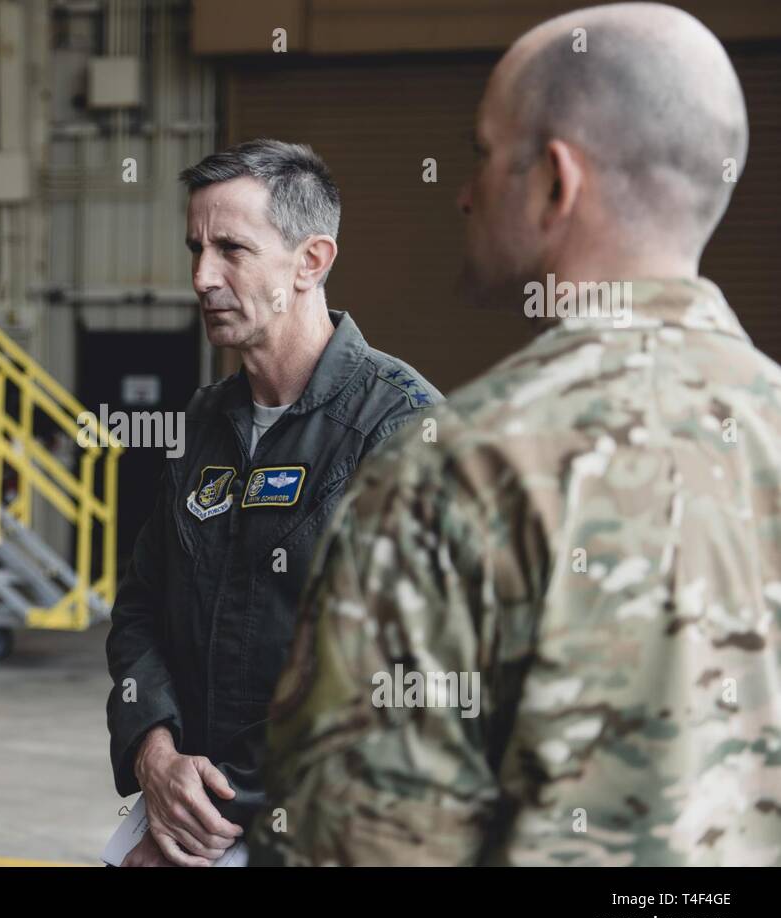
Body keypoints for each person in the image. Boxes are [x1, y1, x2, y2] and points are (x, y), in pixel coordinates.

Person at [254, 3, 777, 866]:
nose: (465, 191)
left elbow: (364, 844)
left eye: (484, 155)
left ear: (556, 183)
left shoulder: (455, 470)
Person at [106, 139, 441, 866]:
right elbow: (140, 608)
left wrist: (214, 815)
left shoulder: (400, 428)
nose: (201, 276)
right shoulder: (201, 424)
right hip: (187, 816)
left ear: (311, 260)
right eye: (195, 246)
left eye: (231, 248)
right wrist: (154, 755)